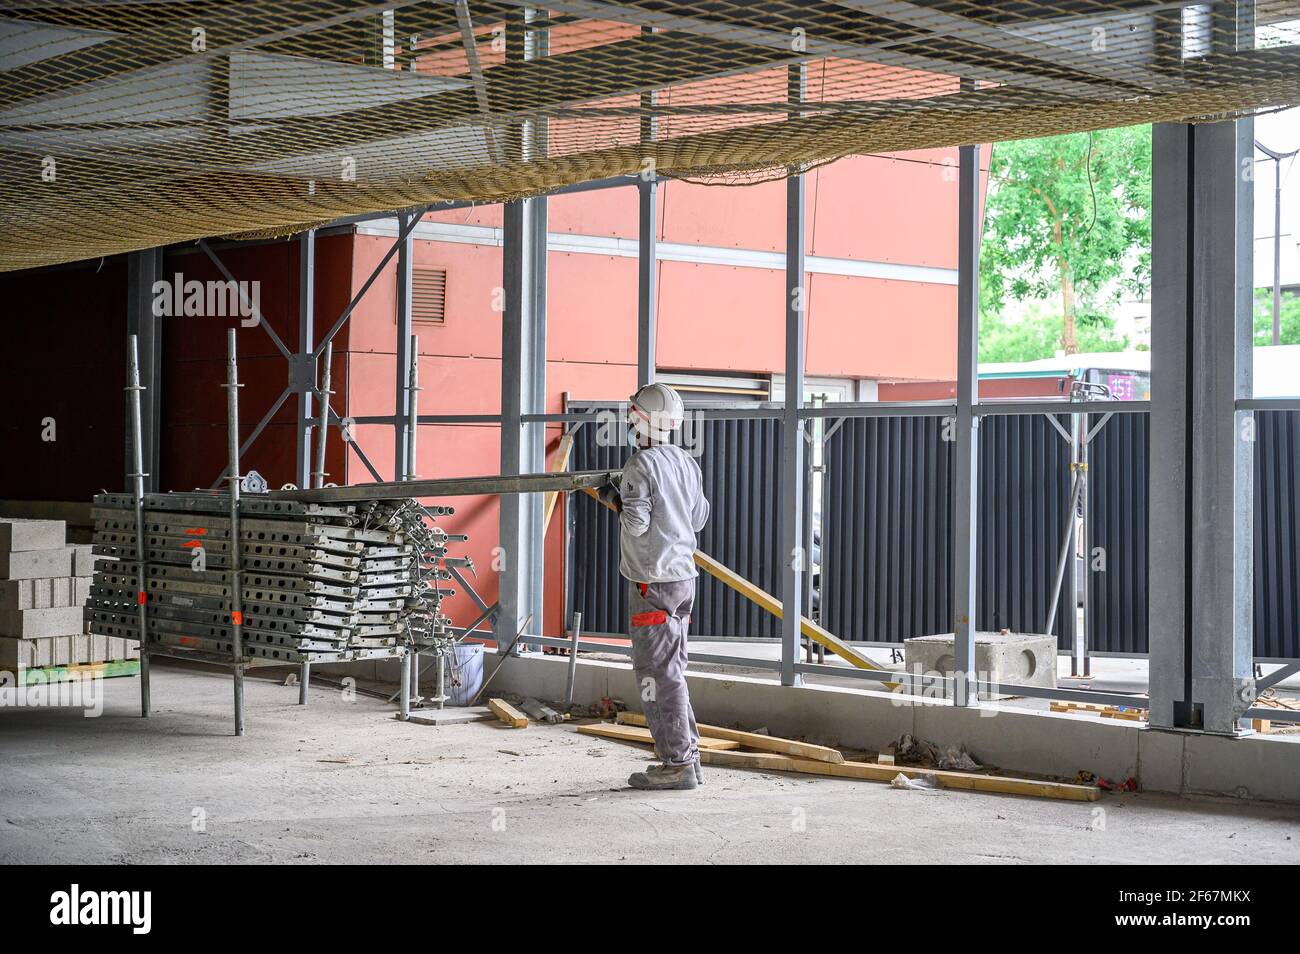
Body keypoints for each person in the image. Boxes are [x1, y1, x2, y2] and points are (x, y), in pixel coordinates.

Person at [598, 383, 710, 791]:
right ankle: (688, 757)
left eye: (631, 417)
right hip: (683, 581)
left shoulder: (639, 466)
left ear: (639, 420)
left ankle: (677, 764)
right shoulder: (685, 461)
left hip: (653, 583)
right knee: (673, 671)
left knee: (657, 675)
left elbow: (636, 524)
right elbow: (697, 519)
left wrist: (616, 499)